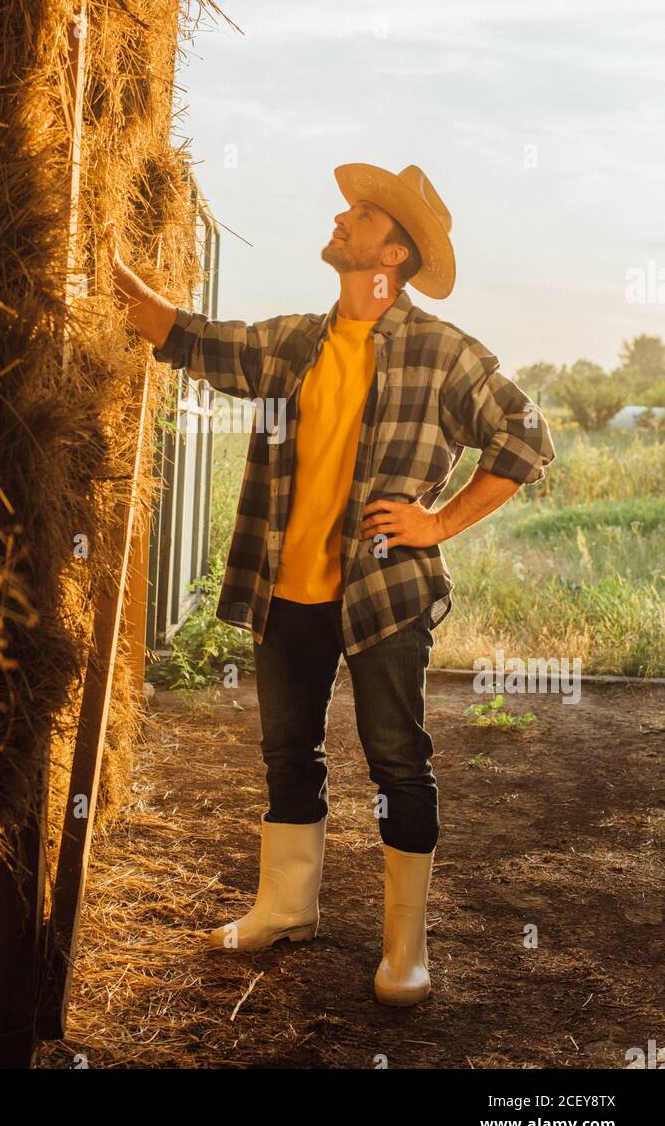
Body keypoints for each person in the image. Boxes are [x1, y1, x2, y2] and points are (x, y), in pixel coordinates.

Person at [110, 162, 556, 1006]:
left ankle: (403, 952)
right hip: (286, 590)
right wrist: (121, 283)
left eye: (356, 215)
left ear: (394, 248)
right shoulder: (294, 341)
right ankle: (285, 909)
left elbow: (526, 440)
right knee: (287, 754)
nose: (338, 218)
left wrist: (437, 522)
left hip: (384, 594)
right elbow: (200, 340)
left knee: (397, 762)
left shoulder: (442, 351)